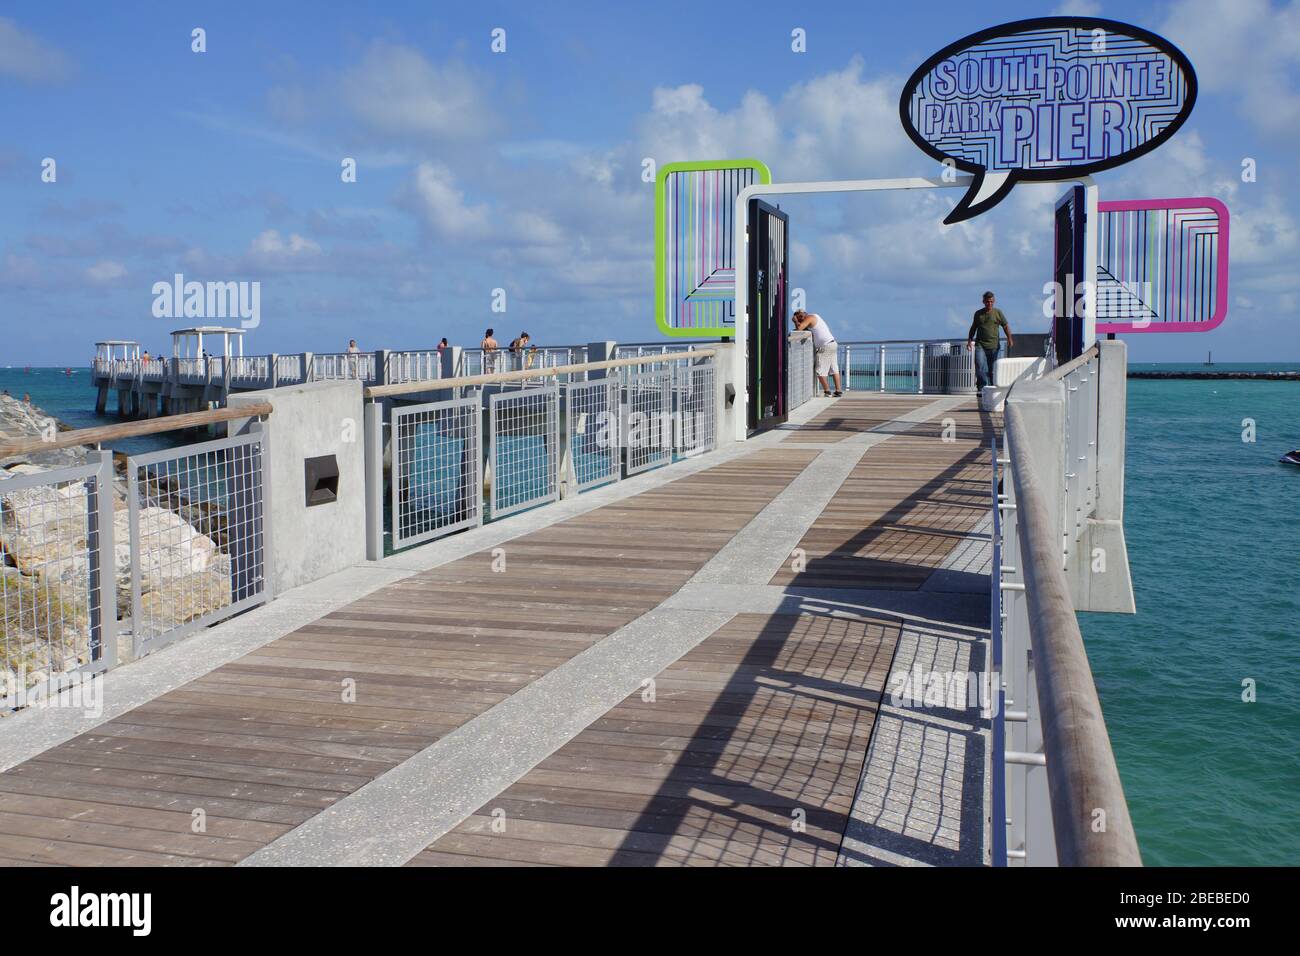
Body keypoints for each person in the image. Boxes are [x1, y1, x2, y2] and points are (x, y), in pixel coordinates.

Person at [966, 291, 1015, 389]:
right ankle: (982, 388)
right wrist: (969, 341)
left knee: (993, 370)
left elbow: (1005, 326)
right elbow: (973, 328)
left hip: (994, 346)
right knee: (980, 367)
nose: (989, 304)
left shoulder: (998, 313)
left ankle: (992, 388)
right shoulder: (978, 314)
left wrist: (1009, 339)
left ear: (994, 301)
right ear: (983, 302)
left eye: (991, 301)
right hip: (980, 345)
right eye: (987, 302)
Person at [793, 309, 842, 397]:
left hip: (825, 346)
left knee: (819, 370)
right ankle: (838, 391)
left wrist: (795, 321)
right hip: (832, 343)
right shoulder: (815, 316)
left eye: (800, 317)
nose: (800, 319)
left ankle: (827, 391)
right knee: (834, 368)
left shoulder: (809, 318)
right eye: (799, 318)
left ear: (804, 314)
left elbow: (799, 329)